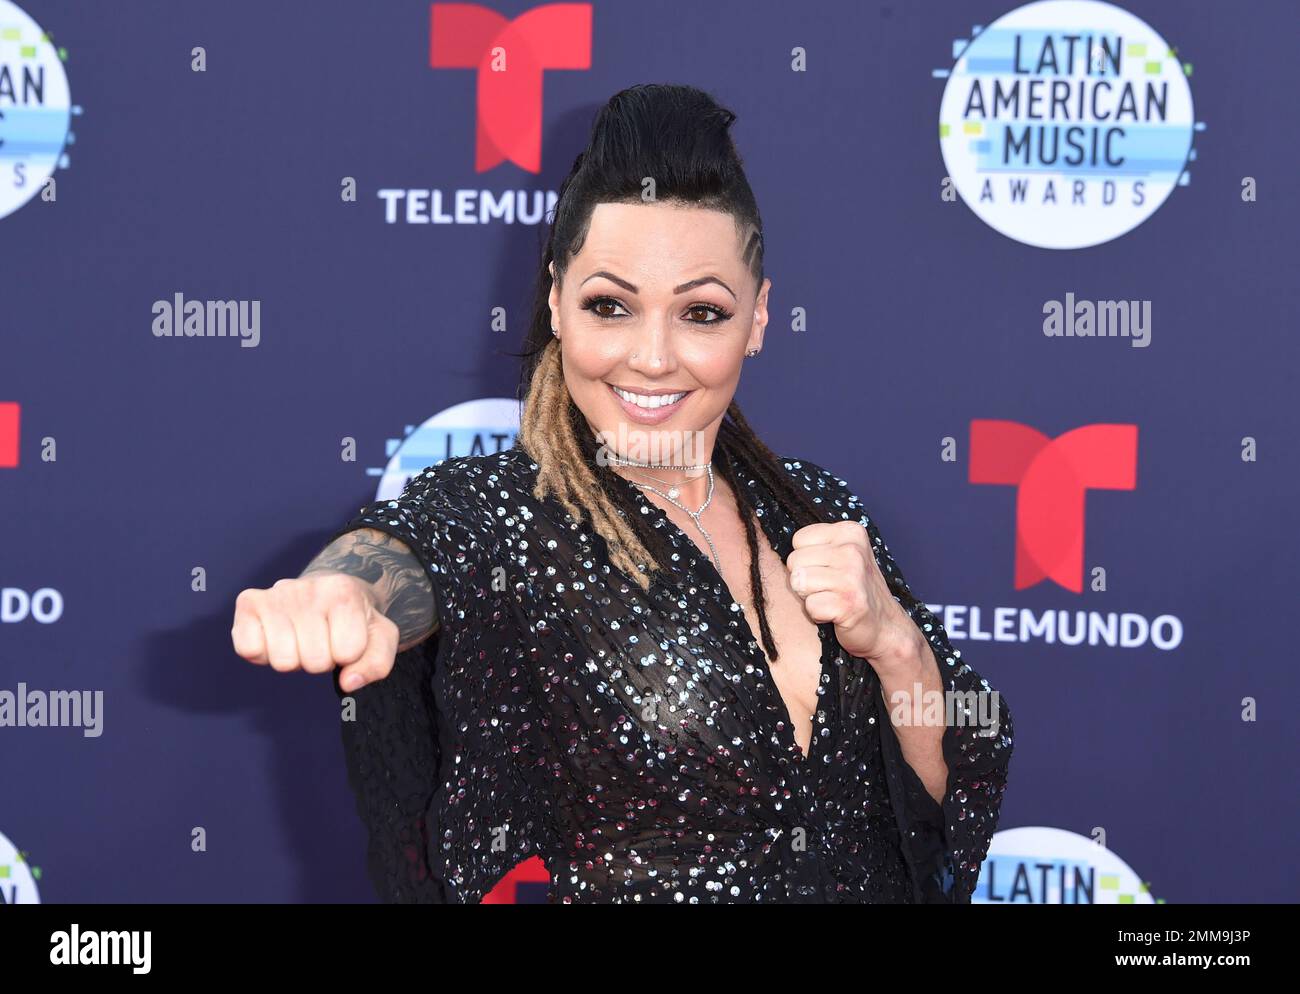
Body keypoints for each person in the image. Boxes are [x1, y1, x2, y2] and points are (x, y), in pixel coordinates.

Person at [231, 83, 1013, 904]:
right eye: (611, 305)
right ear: (558, 301)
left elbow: (945, 797)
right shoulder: (511, 519)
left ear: (758, 319)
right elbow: (416, 547)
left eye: (702, 313)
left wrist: (892, 639)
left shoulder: (813, 506)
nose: (651, 356)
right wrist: (343, 591)